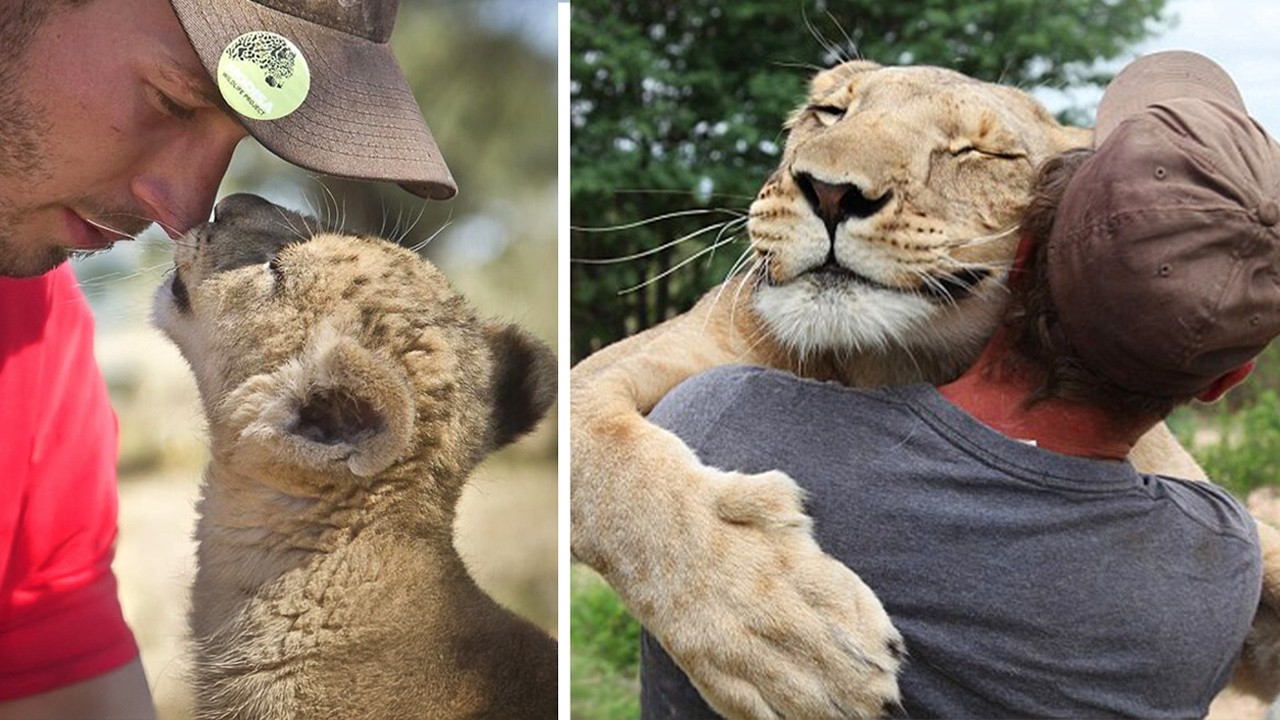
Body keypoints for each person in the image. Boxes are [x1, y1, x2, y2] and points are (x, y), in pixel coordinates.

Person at [639, 51, 1280, 719]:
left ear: (1026, 248)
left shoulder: (718, 422)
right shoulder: (1220, 561)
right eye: (827, 113)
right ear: (1228, 379)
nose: (835, 174)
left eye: (981, 155)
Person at [0, 1, 455, 717]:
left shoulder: (36, 328)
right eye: (174, 100)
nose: (187, 210)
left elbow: (59, 681)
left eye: (239, 136)